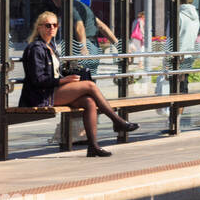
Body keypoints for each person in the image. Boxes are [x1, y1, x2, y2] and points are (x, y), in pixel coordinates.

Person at [20, 11, 138, 157]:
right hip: (40, 95)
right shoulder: (36, 48)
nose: (52, 28)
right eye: (47, 25)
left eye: (55, 25)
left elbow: (54, 73)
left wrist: (67, 76)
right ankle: (117, 121)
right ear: (39, 28)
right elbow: (37, 80)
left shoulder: (51, 46)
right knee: (90, 86)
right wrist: (64, 81)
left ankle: (93, 146)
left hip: (52, 91)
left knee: (89, 101)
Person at [176, 0, 200, 94]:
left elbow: (170, 38)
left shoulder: (178, 16)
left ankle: (176, 109)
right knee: (183, 84)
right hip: (189, 54)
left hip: (177, 55)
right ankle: (181, 109)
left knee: (175, 86)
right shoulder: (196, 17)